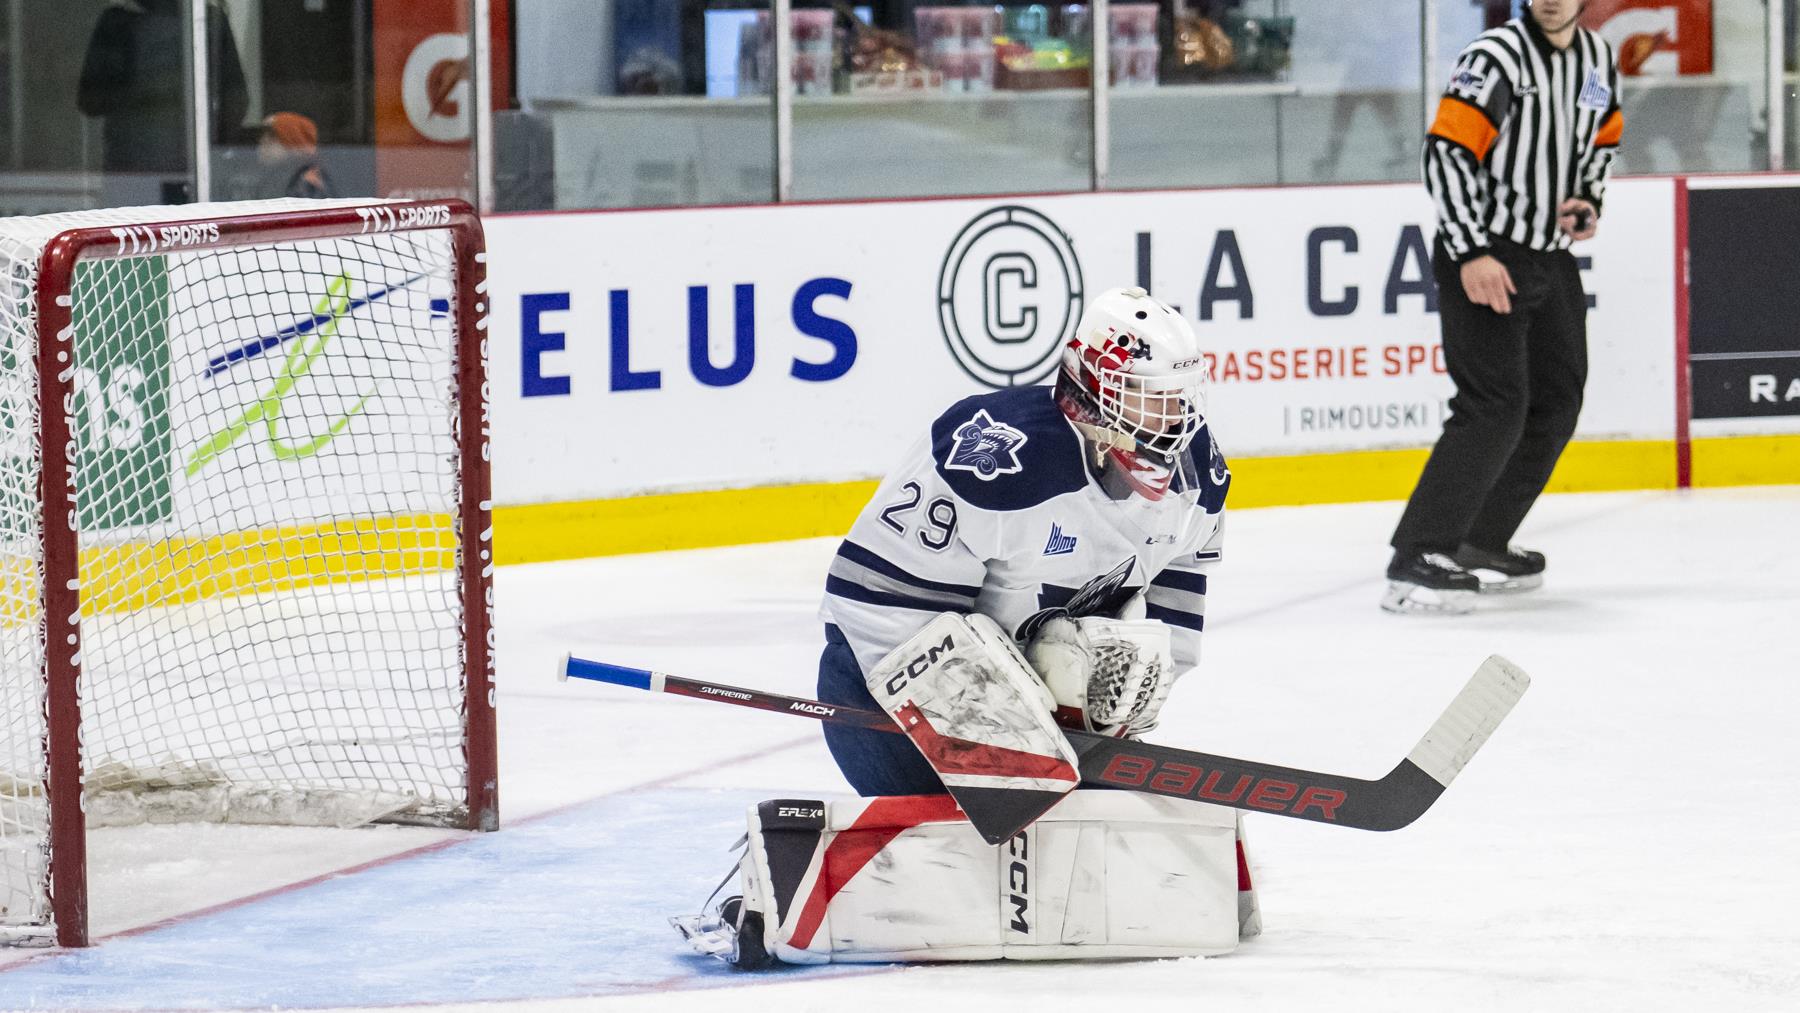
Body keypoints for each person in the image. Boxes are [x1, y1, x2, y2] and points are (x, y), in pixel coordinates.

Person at [673, 288, 1260, 969]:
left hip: (1047, 723)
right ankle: (768, 893)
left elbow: (1179, 598)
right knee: (994, 831)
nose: (1176, 419)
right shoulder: (992, 456)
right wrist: (1001, 728)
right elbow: (870, 600)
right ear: (1096, 392)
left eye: (1182, 398)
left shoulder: (1199, 475)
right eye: (1152, 398)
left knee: (1065, 832)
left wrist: (1116, 703)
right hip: (880, 701)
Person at [1384, 0, 1623, 614]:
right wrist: (1470, 251)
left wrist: (1586, 197)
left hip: (1550, 255)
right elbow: (1446, 153)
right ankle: (1416, 557)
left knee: (1558, 400)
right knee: (1493, 406)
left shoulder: (1596, 58)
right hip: (1487, 255)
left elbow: (1603, 132)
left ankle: (1479, 538)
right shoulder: (1495, 58)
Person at [77, 0, 249, 202]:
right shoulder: (206, 19)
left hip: (140, 172)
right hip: (162, 171)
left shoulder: (207, 19)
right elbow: (90, 101)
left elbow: (91, 101)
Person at [255, 112, 335, 199]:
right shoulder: (280, 175)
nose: (262, 142)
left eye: (272, 137)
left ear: (293, 143)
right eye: (262, 136)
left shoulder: (307, 182)